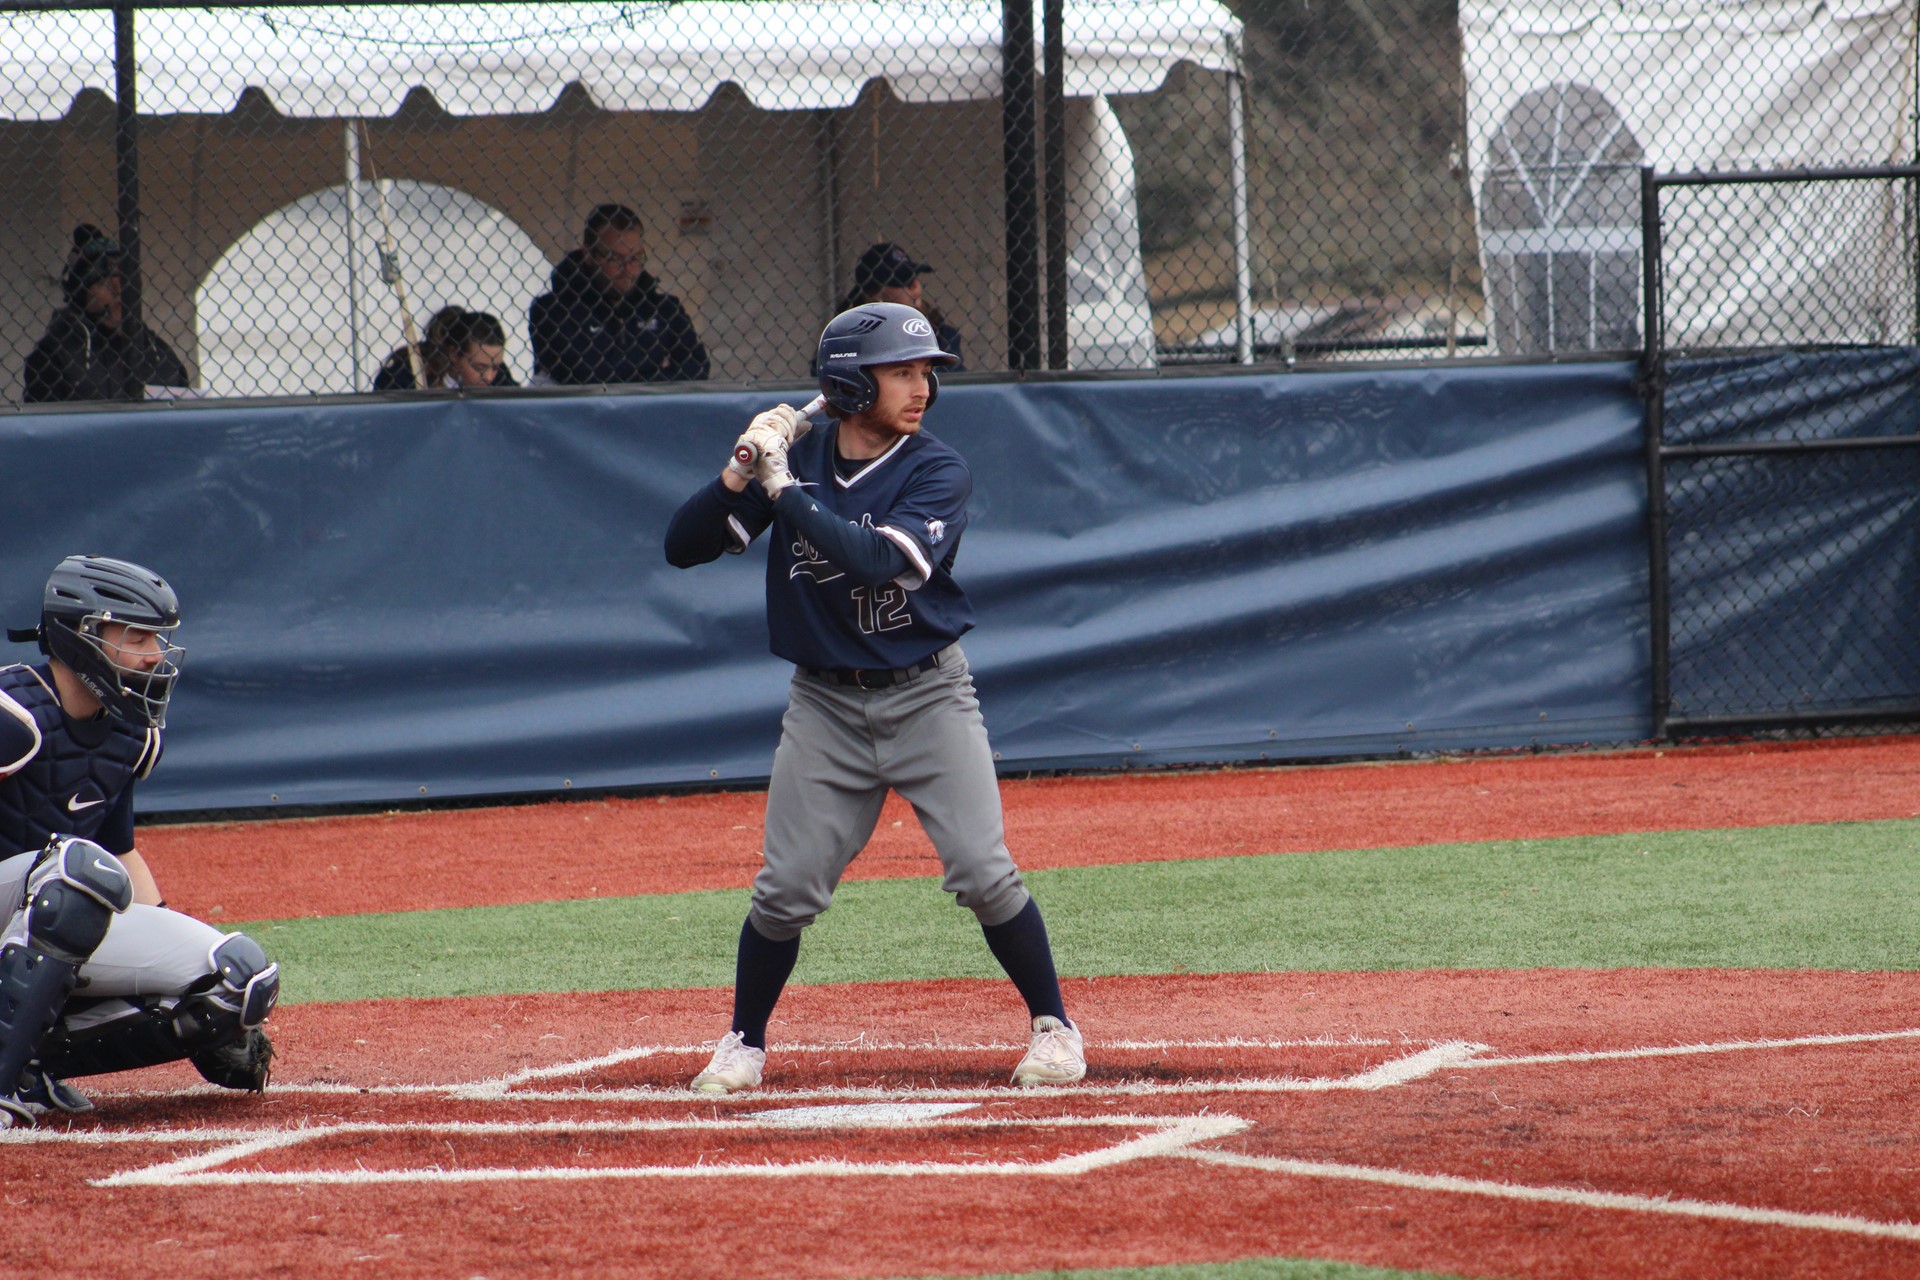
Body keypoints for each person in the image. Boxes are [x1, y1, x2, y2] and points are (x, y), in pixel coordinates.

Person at [664, 301, 1081, 1093]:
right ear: (852, 382)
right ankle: (743, 1042)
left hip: (927, 694)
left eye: (925, 372)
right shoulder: (803, 456)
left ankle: (1055, 1027)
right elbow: (681, 547)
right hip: (824, 706)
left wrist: (782, 490)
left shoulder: (936, 469)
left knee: (983, 873)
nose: (920, 387)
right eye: (901, 372)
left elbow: (867, 560)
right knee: (785, 891)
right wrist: (739, 472)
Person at [0, 556, 278, 1128]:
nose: (154, 653)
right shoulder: (12, 713)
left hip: (44, 916)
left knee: (236, 979)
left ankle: (28, 1065)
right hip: (33, 899)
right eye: (138, 636)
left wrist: (193, 995)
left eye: (158, 637)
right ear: (83, 636)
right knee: (77, 876)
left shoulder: (128, 732)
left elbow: (120, 849)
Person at [529, 204, 709, 385]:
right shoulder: (552, 311)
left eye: (635, 258)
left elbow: (697, 368)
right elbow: (588, 376)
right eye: (614, 258)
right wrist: (656, 377)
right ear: (588, 255)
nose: (628, 268)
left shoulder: (664, 309)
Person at [23, 226, 190, 404]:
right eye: (103, 282)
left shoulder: (158, 353)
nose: (119, 291)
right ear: (82, 294)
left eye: (125, 281)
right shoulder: (56, 354)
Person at [836, 242, 964, 370]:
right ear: (875, 295)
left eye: (914, 277)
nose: (915, 285)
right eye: (903, 281)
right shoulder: (846, 340)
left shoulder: (942, 335)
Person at [372, 306, 519, 391]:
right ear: (454, 354)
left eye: (495, 368)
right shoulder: (405, 379)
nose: (488, 377)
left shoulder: (499, 378)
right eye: (479, 367)